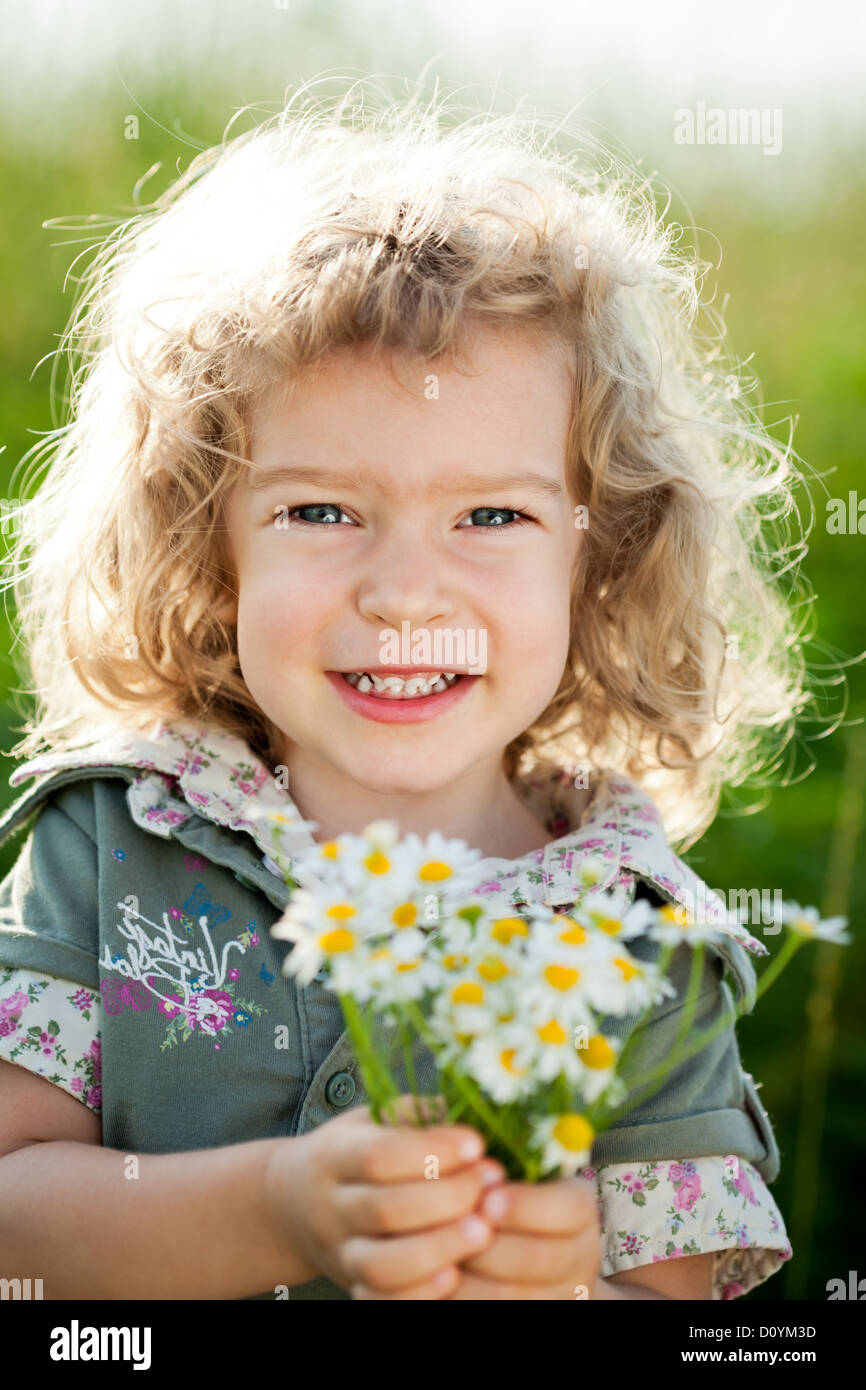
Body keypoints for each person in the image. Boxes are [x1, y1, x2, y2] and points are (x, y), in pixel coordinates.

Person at [0, 76, 803, 1300]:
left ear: (601, 557)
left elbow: (687, 1305)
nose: (405, 594)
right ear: (208, 550)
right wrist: (279, 1211)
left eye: (491, 513)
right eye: (319, 510)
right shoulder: (111, 840)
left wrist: (560, 1291)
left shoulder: (639, 943)